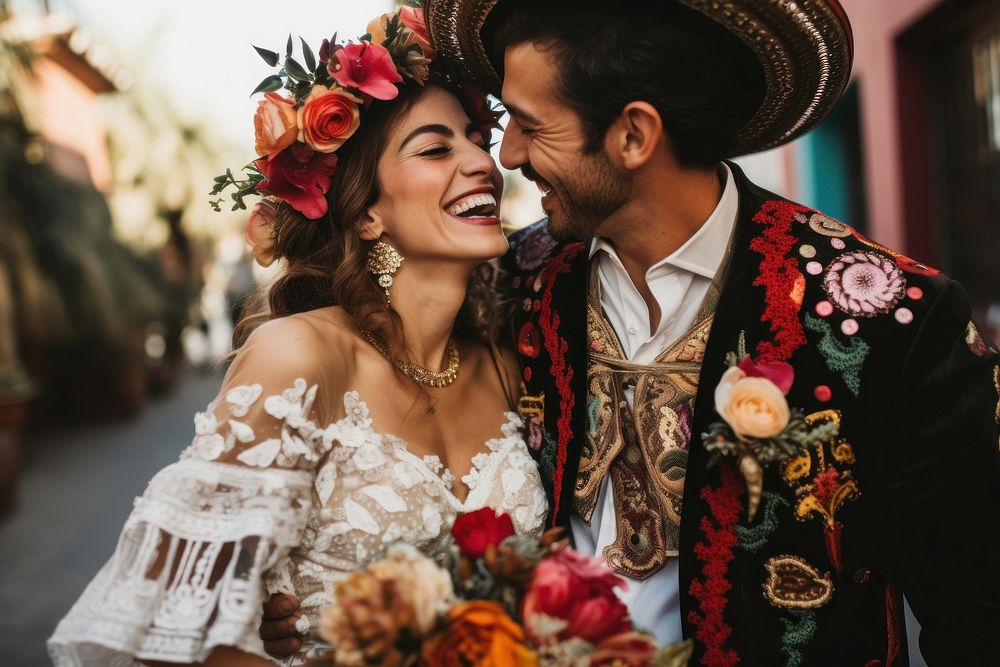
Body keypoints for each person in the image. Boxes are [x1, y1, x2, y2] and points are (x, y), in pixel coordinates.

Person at [262, 1, 1000, 665]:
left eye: (529, 123)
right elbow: (373, 376)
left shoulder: (894, 321)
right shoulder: (510, 285)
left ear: (633, 134)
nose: (507, 154)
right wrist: (303, 593)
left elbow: (979, 620)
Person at [46, 6, 548, 666]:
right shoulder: (300, 356)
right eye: (436, 147)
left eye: (474, 139)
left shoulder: (508, 368)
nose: (482, 162)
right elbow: (176, 626)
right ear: (366, 213)